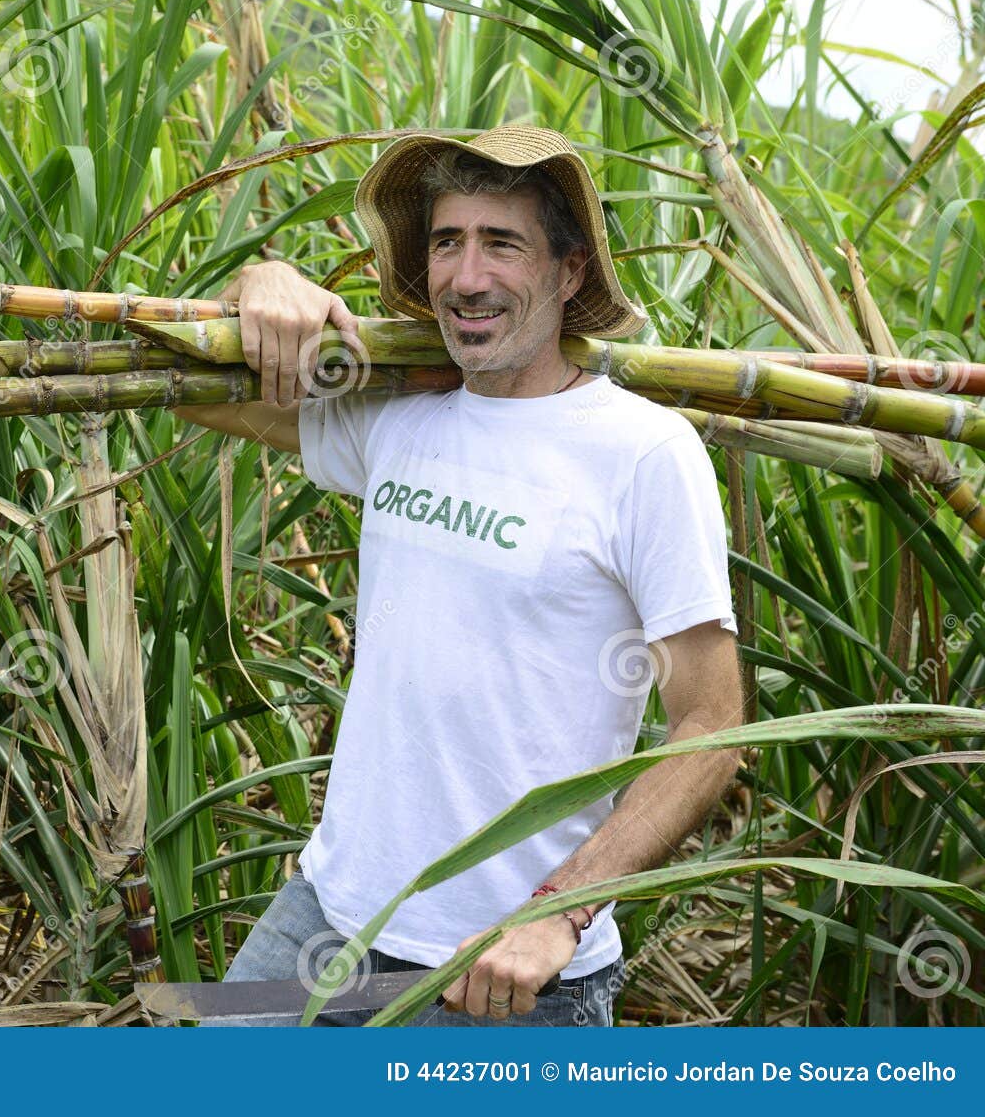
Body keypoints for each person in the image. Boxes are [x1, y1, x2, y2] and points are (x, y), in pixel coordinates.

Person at [172, 125, 745, 1027]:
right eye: (447, 242)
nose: (466, 277)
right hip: (328, 916)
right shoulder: (401, 421)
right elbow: (197, 389)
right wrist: (259, 284)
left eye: (502, 243)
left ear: (570, 272)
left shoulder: (643, 452)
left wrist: (559, 911)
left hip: (506, 973)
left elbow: (711, 726)